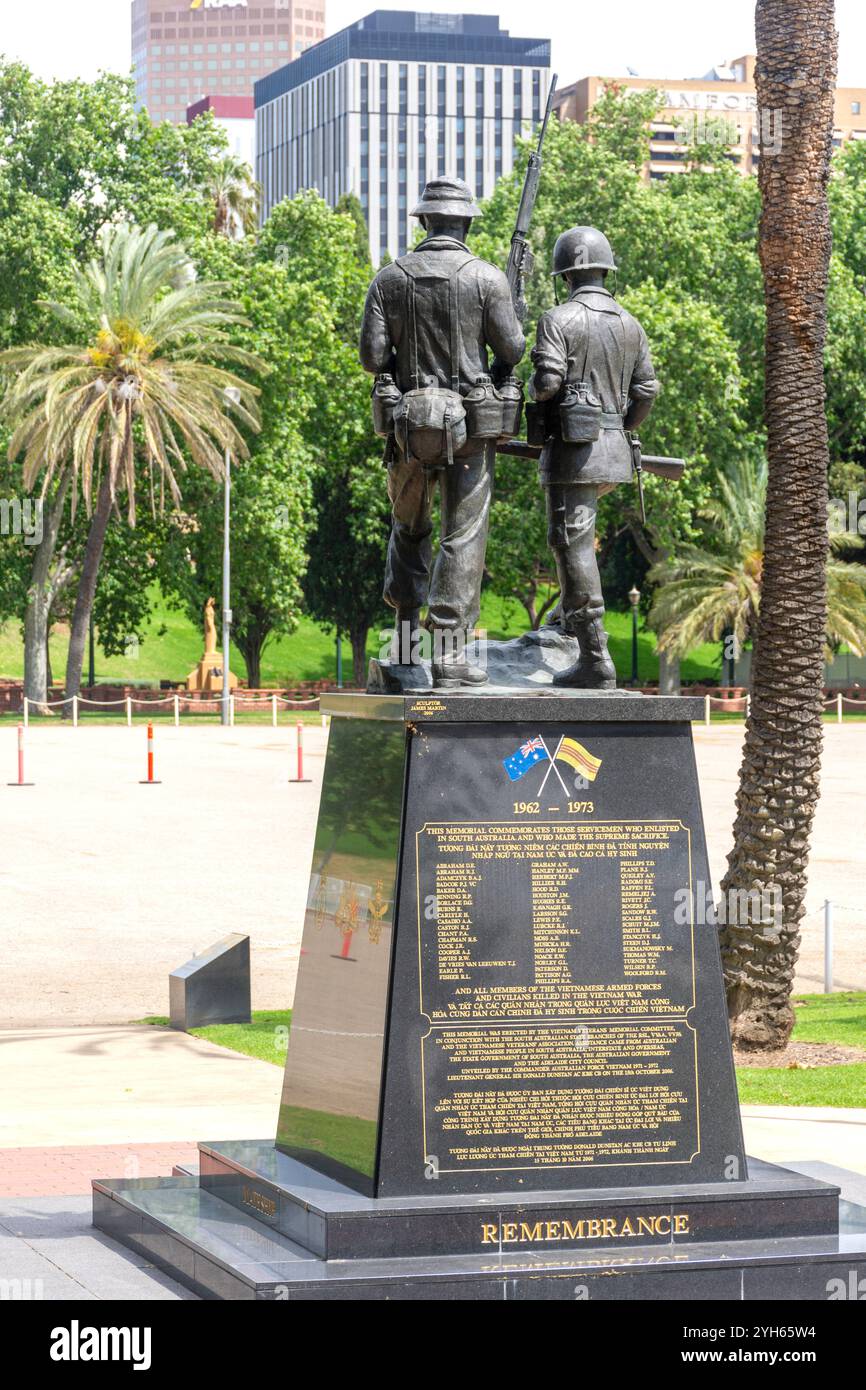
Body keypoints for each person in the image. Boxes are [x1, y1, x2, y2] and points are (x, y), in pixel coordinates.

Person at [360, 177, 525, 688]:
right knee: (463, 534)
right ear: (467, 222)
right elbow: (514, 350)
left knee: (409, 529)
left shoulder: (389, 279)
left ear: (425, 221)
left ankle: (407, 643)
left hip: (408, 428)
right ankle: (450, 655)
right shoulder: (487, 278)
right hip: (471, 432)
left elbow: (371, 356)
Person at [529, 226, 660, 689]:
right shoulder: (630, 323)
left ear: (565, 275)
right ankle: (571, 629)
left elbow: (546, 383)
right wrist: (621, 428)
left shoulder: (558, 320)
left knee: (571, 544)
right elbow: (646, 391)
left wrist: (532, 391)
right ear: (605, 270)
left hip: (573, 455)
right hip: (613, 452)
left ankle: (594, 656)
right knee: (578, 541)